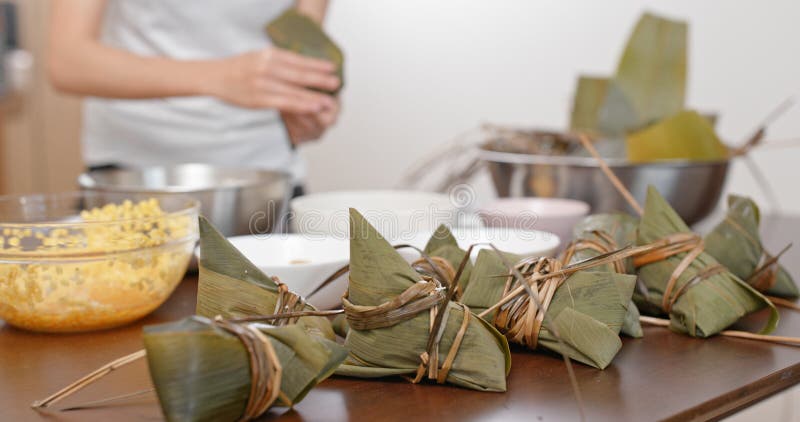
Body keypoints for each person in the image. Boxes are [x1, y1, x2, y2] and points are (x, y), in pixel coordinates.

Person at [48, 0, 341, 195]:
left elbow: (303, 48)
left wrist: (312, 107)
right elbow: (68, 60)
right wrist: (221, 77)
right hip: (134, 179)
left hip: (265, 182)